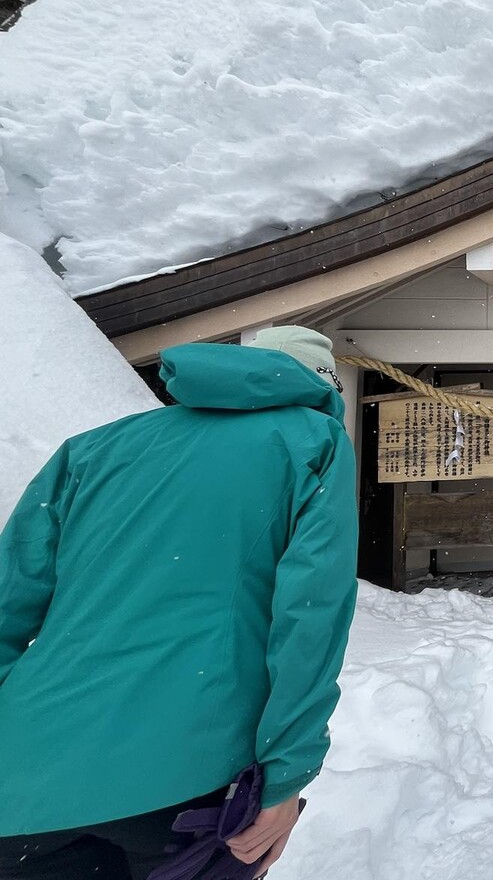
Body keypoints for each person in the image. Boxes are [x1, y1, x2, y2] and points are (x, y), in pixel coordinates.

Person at [0, 326, 359, 879]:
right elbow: (310, 615)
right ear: (322, 386)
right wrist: (286, 774)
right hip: (183, 773)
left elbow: (10, 593)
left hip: (26, 774)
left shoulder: (95, 447)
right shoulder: (314, 442)